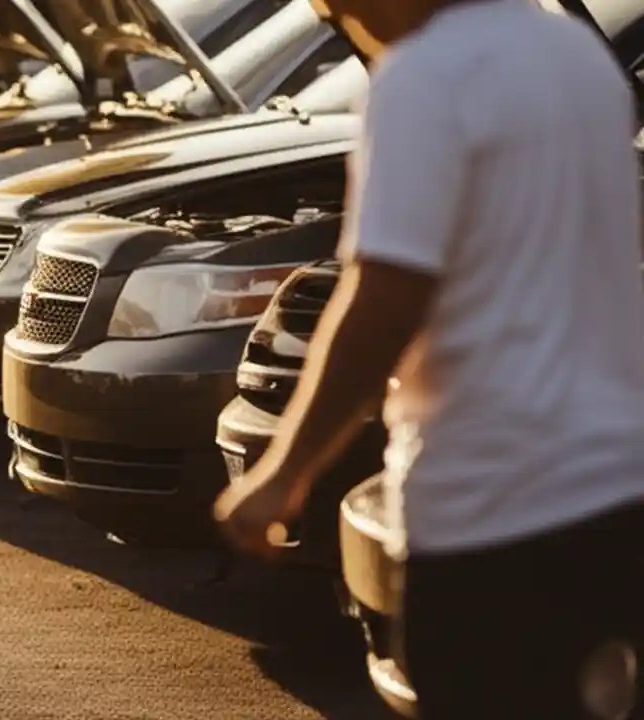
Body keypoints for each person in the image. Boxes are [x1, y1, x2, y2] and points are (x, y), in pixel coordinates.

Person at [214, 0, 644, 716]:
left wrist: (285, 472)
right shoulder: (580, 64)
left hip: (496, 517)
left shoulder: (425, 79)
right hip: (618, 501)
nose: (337, 16)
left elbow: (386, 294)